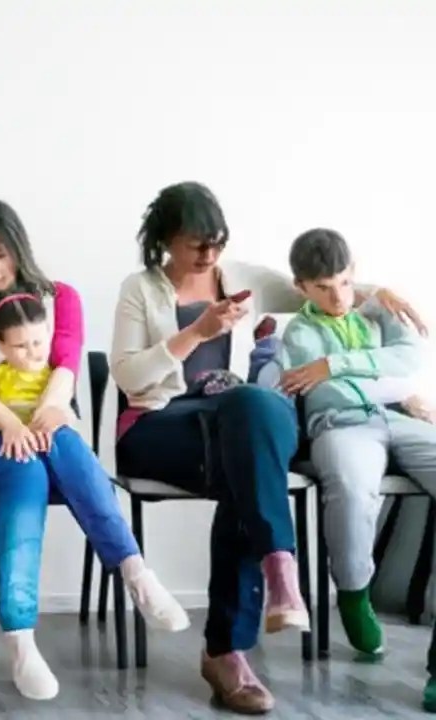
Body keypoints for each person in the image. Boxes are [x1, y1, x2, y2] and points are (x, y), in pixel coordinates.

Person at [110, 181, 424, 714]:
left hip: (231, 420)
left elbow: (320, 287)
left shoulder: (243, 279)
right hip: (159, 426)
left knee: (258, 408)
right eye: (195, 245)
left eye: (216, 242)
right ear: (165, 240)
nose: (209, 255)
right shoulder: (140, 289)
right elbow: (127, 371)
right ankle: (244, 622)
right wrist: (194, 334)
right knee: (251, 458)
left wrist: (378, 292)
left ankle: (261, 599)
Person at [0, 198, 183, 702]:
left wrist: (48, 413)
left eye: (1, 253)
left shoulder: (60, 297)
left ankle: (135, 574)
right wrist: (10, 424)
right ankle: (20, 638)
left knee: (54, 445)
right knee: (23, 463)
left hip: (45, 429)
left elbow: (66, 365)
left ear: (18, 247)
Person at [252, 228, 430, 658]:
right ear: (302, 289)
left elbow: (412, 356)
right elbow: (325, 394)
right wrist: (376, 377)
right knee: (352, 491)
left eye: (346, 283)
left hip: (399, 418)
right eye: (324, 289)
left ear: (355, 274)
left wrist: (334, 365)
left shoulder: (377, 308)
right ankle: (353, 594)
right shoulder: (299, 335)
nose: (339, 298)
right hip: (342, 426)